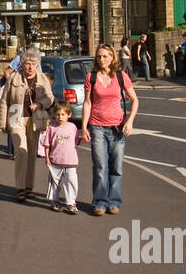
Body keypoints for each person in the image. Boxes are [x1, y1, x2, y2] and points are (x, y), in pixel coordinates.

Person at [82, 44, 139, 217]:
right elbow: (87, 103)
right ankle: (100, 202)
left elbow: (135, 100)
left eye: (105, 56)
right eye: (99, 56)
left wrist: (130, 122)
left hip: (118, 128)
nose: (102, 59)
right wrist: (84, 127)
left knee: (116, 167)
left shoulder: (121, 76)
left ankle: (114, 201)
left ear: (112, 57)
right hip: (97, 126)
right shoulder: (91, 77)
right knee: (100, 166)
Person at [0, 47, 54, 202]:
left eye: (33, 63)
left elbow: (50, 99)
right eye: (28, 63)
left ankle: (30, 187)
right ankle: (20, 187)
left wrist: (39, 103)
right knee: (21, 152)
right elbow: (4, 101)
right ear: (22, 63)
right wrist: (3, 122)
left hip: (35, 120)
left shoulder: (43, 79)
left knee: (31, 154)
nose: (30, 67)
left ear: (38, 64)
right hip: (16, 118)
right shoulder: (13, 78)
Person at [38, 101, 80, 214]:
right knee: (54, 183)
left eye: (63, 114)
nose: (60, 117)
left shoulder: (73, 127)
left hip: (70, 161)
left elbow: (76, 142)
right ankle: (54, 201)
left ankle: (71, 202)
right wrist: (47, 158)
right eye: (58, 114)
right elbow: (47, 145)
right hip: (55, 161)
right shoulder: (52, 128)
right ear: (54, 115)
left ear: (69, 115)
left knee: (71, 182)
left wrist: (85, 139)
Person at [0, 65, 15, 158]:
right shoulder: (18, 59)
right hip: (13, 103)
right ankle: (12, 150)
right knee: (12, 125)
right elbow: (7, 71)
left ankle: (13, 150)